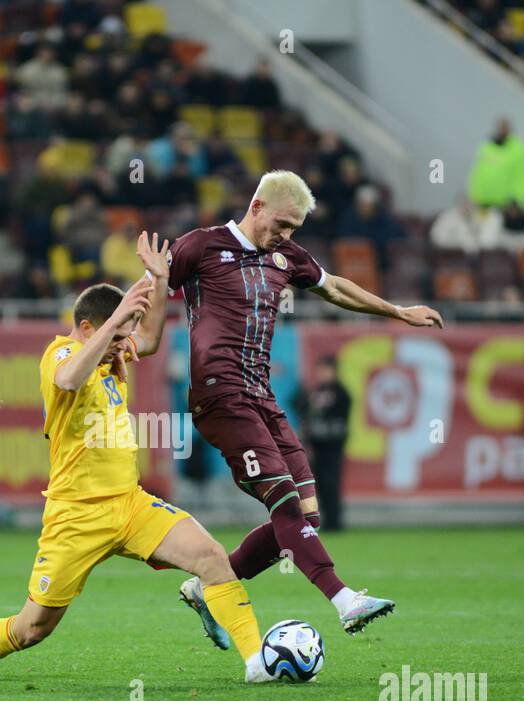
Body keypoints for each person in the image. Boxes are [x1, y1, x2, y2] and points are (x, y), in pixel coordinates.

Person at [0, 235, 282, 684]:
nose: (124, 346)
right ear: (89, 328)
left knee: (211, 557)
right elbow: (67, 380)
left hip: (129, 503)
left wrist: (160, 282)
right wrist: (116, 323)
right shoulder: (60, 354)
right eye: (116, 334)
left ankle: (257, 663)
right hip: (75, 515)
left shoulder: (108, 354)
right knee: (32, 629)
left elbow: (150, 339)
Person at [163, 170, 443, 647]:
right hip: (220, 395)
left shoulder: (286, 256)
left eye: (295, 228)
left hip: (261, 398)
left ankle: (209, 587)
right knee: (286, 503)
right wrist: (116, 338)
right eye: (283, 224)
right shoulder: (201, 246)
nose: (287, 236)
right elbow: (150, 287)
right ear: (256, 207)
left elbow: (335, 288)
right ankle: (344, 599)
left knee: (306, 518)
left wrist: (397, 312)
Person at [295, 356, 352, 532]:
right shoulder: (314, 391)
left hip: (333, 446)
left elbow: (340, 416)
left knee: (330, 484)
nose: (321, 374)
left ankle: (334, 522)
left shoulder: (341, 392)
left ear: (334, 371)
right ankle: (317, 521)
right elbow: (301, 407)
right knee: (315, 485)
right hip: (315, 446)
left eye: (325, 370)